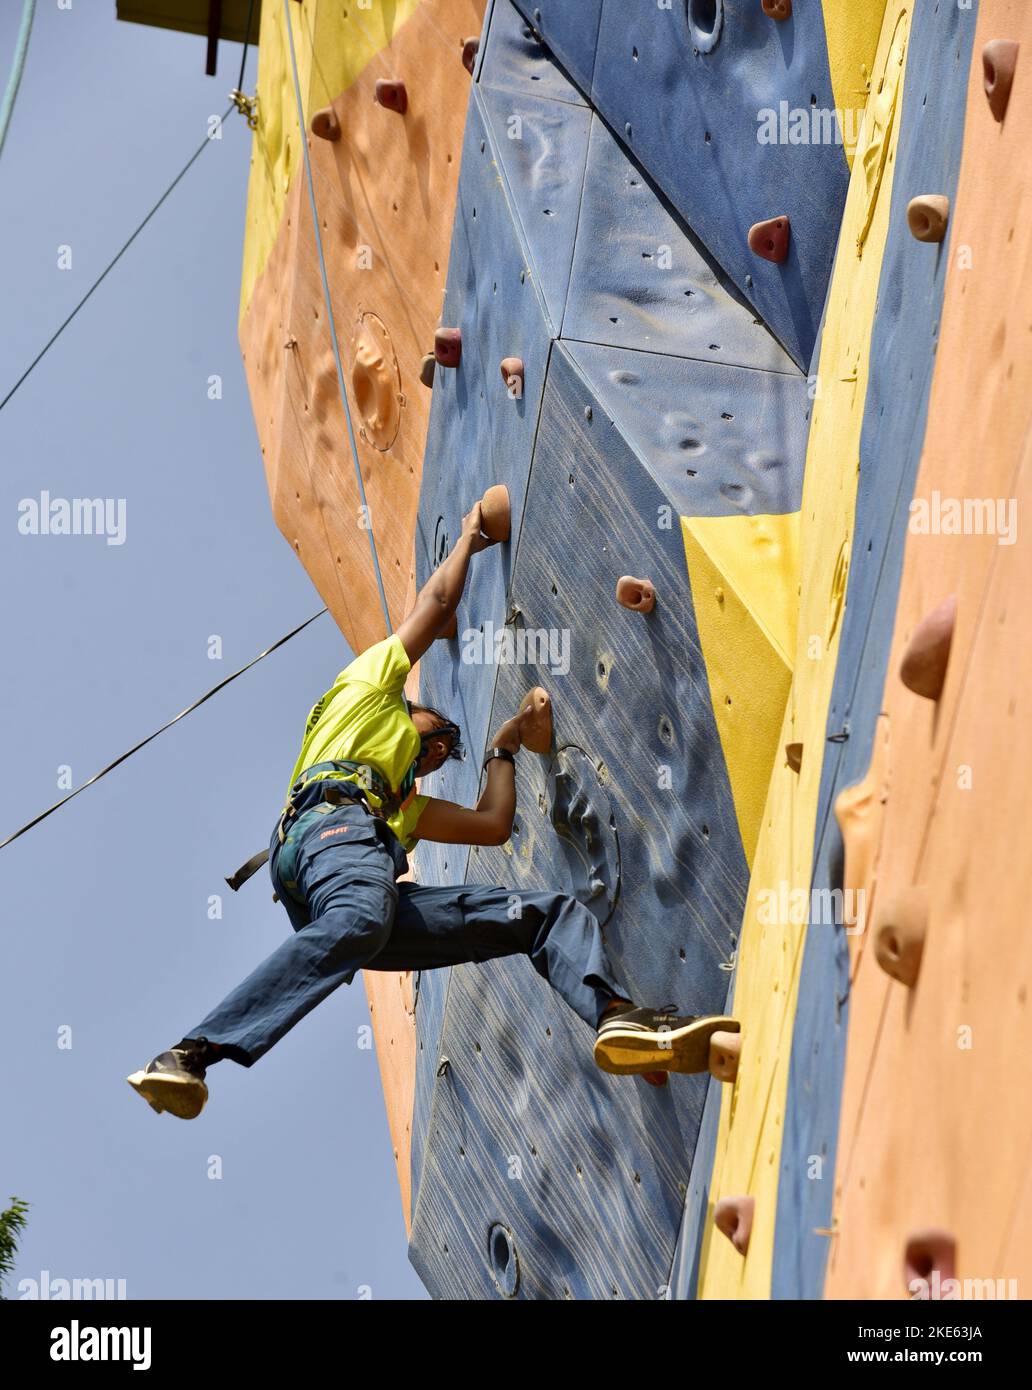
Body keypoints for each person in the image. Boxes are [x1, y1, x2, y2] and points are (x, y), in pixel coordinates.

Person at [127, 501, 738, 1119]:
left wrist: (503, 745)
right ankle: (192, 1052)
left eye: (441, 756)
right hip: (327, 834)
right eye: (436, 734)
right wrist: (472, 534)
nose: (436, 753)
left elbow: (493, 827)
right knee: (363, 916)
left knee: (542, 915)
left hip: (357, 875)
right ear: (410, 705)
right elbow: (436, 606)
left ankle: (619, 1021)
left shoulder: (402, 807)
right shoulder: (366, 693)